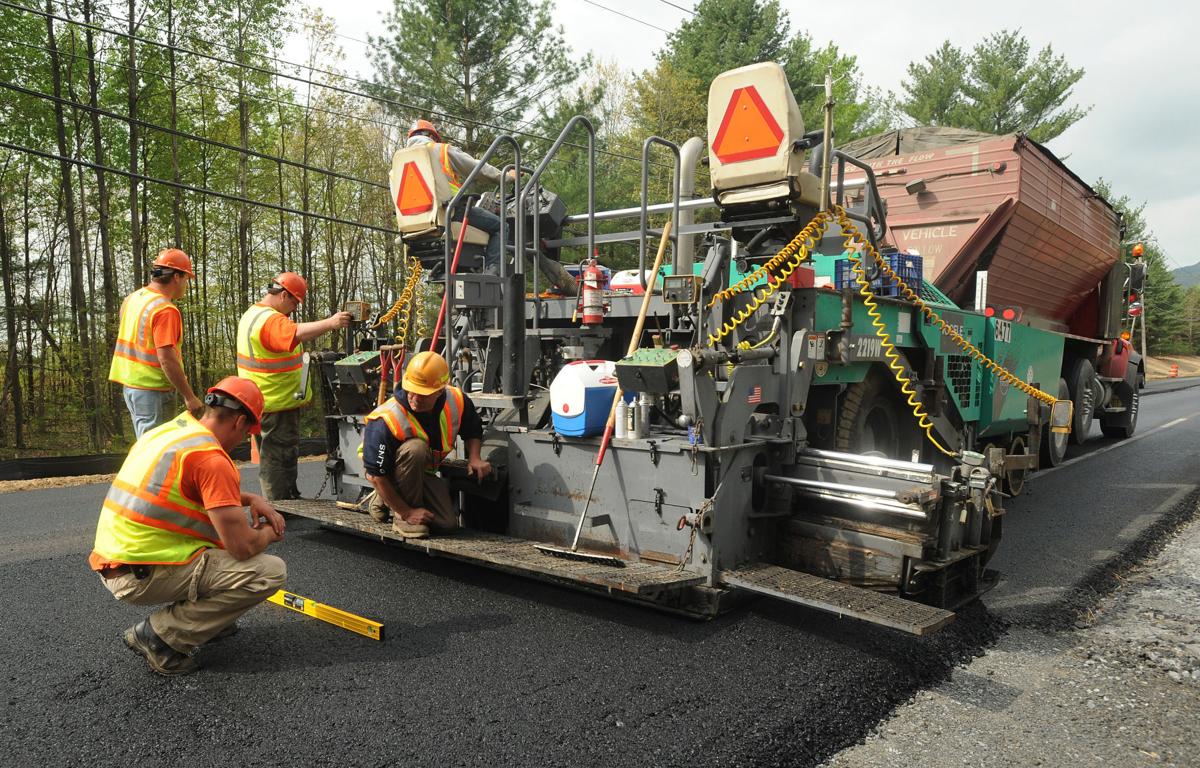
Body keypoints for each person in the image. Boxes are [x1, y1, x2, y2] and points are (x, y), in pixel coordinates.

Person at [90, 376, 287, 677]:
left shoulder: (171, 432)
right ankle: (162, 636)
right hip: (139, 573)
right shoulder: (212, 459)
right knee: (268, 571)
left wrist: (249, 498)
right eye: (248, 431)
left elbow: (185, 490)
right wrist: (271, 533)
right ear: (239, 423)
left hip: (118, 560)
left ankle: (208, 623)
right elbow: (243, 546)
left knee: (218, 538)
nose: (244, 439)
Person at [236, 272, 352, 500]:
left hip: (260, 400)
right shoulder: (271, 320)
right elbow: (296, 333)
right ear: (284, 295)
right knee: (278, 456)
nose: (294, 309)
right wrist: (332, 322)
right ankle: (281, 505)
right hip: (276, 401)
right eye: (294, 302)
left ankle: (286, 498)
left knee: (273, 454)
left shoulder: (253, 314)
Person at [361, 351, 492, 538]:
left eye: (422, 394)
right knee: (416, 449)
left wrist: (475, 457)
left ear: (440, 391)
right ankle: (402, 519)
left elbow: (472, 429)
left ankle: (385, 497)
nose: (414, 398)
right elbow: (376, 476)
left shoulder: (456, 400)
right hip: (384, 473)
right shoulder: (386, 419)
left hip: (420, 472)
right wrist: (407, 512)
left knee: (446, 524)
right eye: (411, 390)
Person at [108, 248, 203, 438]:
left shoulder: (132, 298)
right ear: (176, 277)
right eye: (186, 279)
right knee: (152, 447)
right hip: (151, 389)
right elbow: (166, 359)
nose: (186, 284)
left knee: (147, 442)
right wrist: (189, 396)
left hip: (131, 386)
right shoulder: (165, 310)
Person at [406, 118, 514, 275]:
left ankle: (449, 277)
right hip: (449, 214)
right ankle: (493, 271)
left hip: (414, 227)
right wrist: (506, 176)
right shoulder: (440, 150)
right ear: (433, 137)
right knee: (500, 226)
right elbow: (477, 168)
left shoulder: (401, 161)